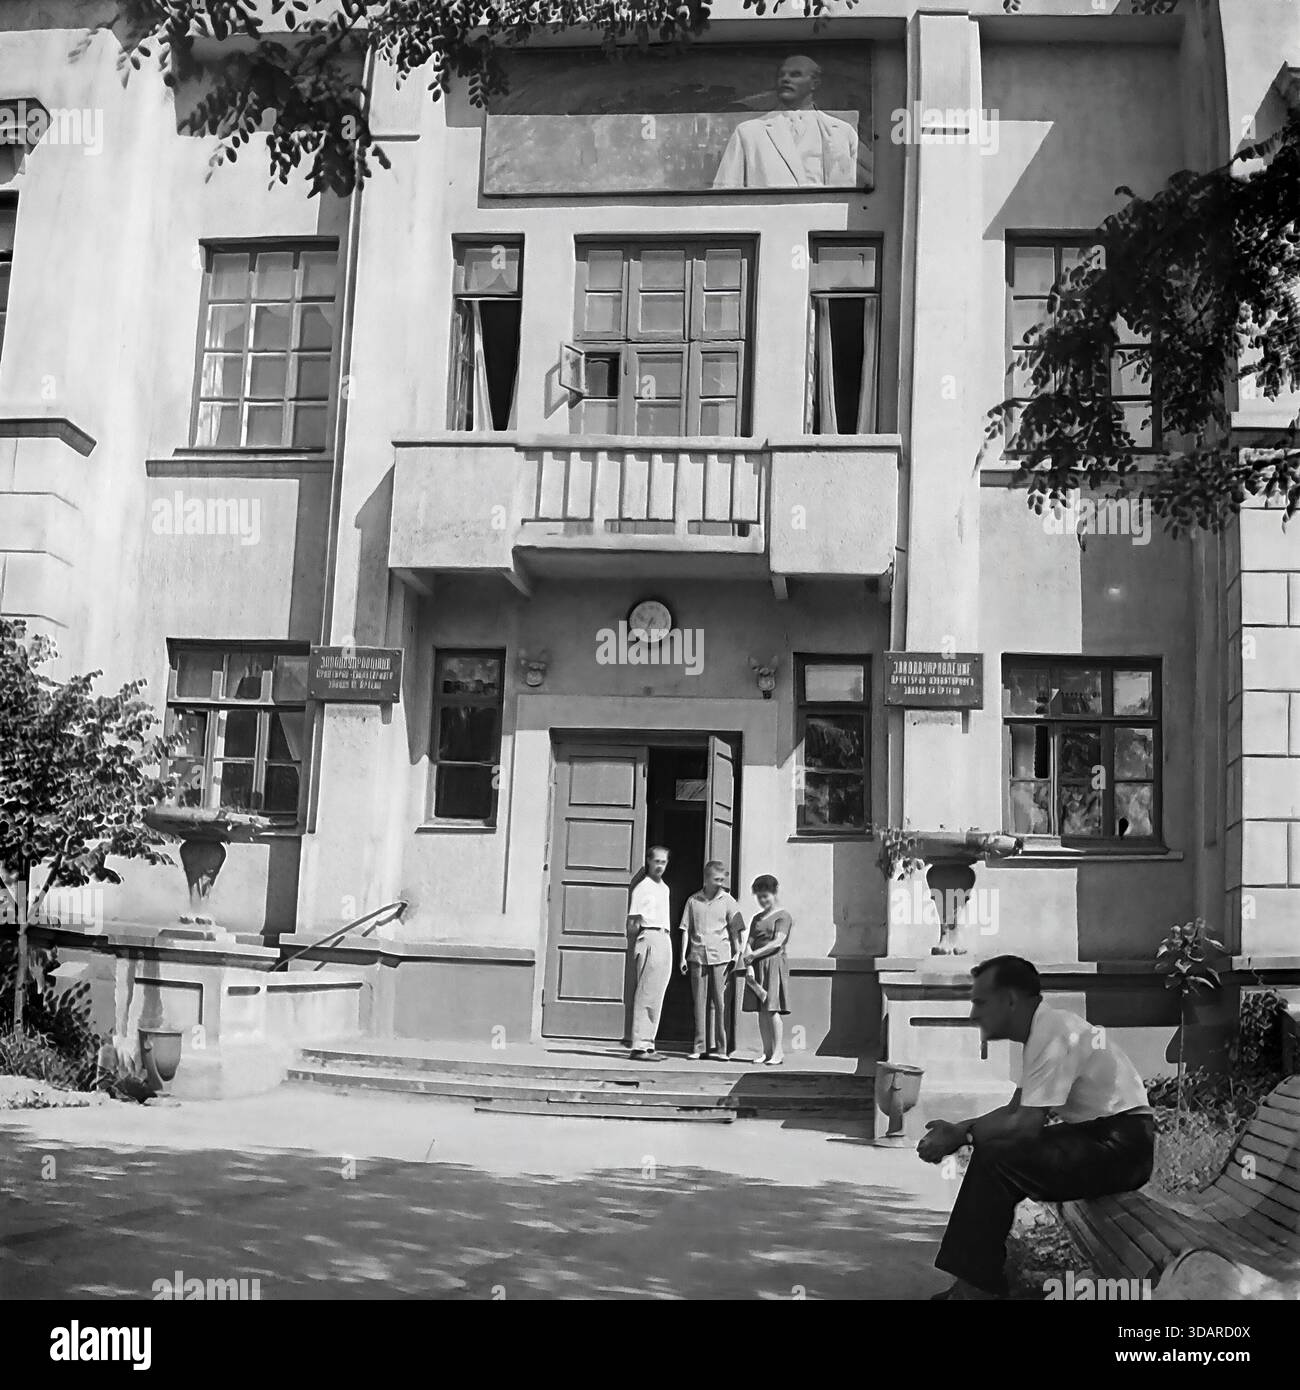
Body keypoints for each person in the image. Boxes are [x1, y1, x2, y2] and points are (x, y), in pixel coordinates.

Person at [919, 955, 1156, 1301]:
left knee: (997, 1158)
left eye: (981, 1002)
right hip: (1105, 1137)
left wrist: (962, 1136)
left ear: (1010, 1000)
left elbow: (1025, 1126)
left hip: (1122, 1148)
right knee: (995, 1152)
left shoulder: (1054, 1033)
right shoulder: (1045, 1030)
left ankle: (977, 1290)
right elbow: (1016, 1110)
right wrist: (960, 1130)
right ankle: (974, 1282)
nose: (973, 1015)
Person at [712, 54, 866, 190]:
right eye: (781, 75)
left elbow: (865, 186)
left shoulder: (843, 132)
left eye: (795, 74)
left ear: (815, 83)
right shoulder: (748, 133)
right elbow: (726, 191)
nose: (785, 79)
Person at [679, 860, 745, 1060]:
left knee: (721, 1003)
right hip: (697, 955)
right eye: (716, 879)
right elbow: (685, 929)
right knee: (699, 1003)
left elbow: (736, 929)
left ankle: (722, 1049)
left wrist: (737, 952)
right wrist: (682, 956)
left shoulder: (729, 901)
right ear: (706, 879)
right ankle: (699, 1047)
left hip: (722, 957)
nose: (720, 883)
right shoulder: (693, 901)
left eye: (722, 879)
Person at [736, 874, 792, 1065]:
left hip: (773, 964)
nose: (762, 900)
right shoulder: (756, 918)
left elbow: (777, 942)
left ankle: (778, 1052)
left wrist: (754, 954)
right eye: (759, 897)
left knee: (772, 1008)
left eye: (765, 896)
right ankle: (766, 1052)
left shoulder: (783, 916)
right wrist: (748, 964)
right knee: (761, 1010)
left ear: (775, 893)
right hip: (757, 966)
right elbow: (749, 944)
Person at [627, 845, 673, 1061]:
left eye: (664, 862)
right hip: (649, 936)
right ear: (648, 861)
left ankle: (649, 1042)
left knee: (657, 993)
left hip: (665, 937)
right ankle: (639, 1045)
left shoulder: (664, 888)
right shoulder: (642, 888)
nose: (660, 866)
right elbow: (633, 920)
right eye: (657, 861)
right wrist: (638, 941)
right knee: (646, 992)